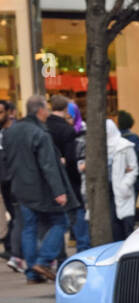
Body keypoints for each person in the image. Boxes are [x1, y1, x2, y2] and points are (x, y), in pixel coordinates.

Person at [0, 95, 70, 284]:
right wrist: (59, 191)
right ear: (40, 110)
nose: (47, 113)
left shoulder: (11, 131)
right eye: (46, 109)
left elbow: (6, 160)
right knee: (61, 222)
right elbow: (48, 165)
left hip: (19, 187)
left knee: (29, 228)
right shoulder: (40, 133)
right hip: (40, 188)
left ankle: (32, 272)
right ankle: (43, 260)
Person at [46, 95, 90, 253]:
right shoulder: (67, 130)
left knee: (56, 219)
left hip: (48, 180)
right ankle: (83, 247)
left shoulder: (44, 126)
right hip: (70, 180)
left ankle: (58, 256)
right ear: (65, 110)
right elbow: (71, 159)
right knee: (76, 213)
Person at [103, 119, 139, 241]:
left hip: (122, 189)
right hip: (107, 191)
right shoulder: (99, 147)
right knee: (114, 224)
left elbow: (133, 168)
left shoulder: (125, 146)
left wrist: (126, 184)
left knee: (127, 223)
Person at [0, 98, 23, 272]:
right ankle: (13, 250)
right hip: (5, 180)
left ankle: (15, 251)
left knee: (18, 215)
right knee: (14, 215)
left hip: (15, 179)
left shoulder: (15, 131)